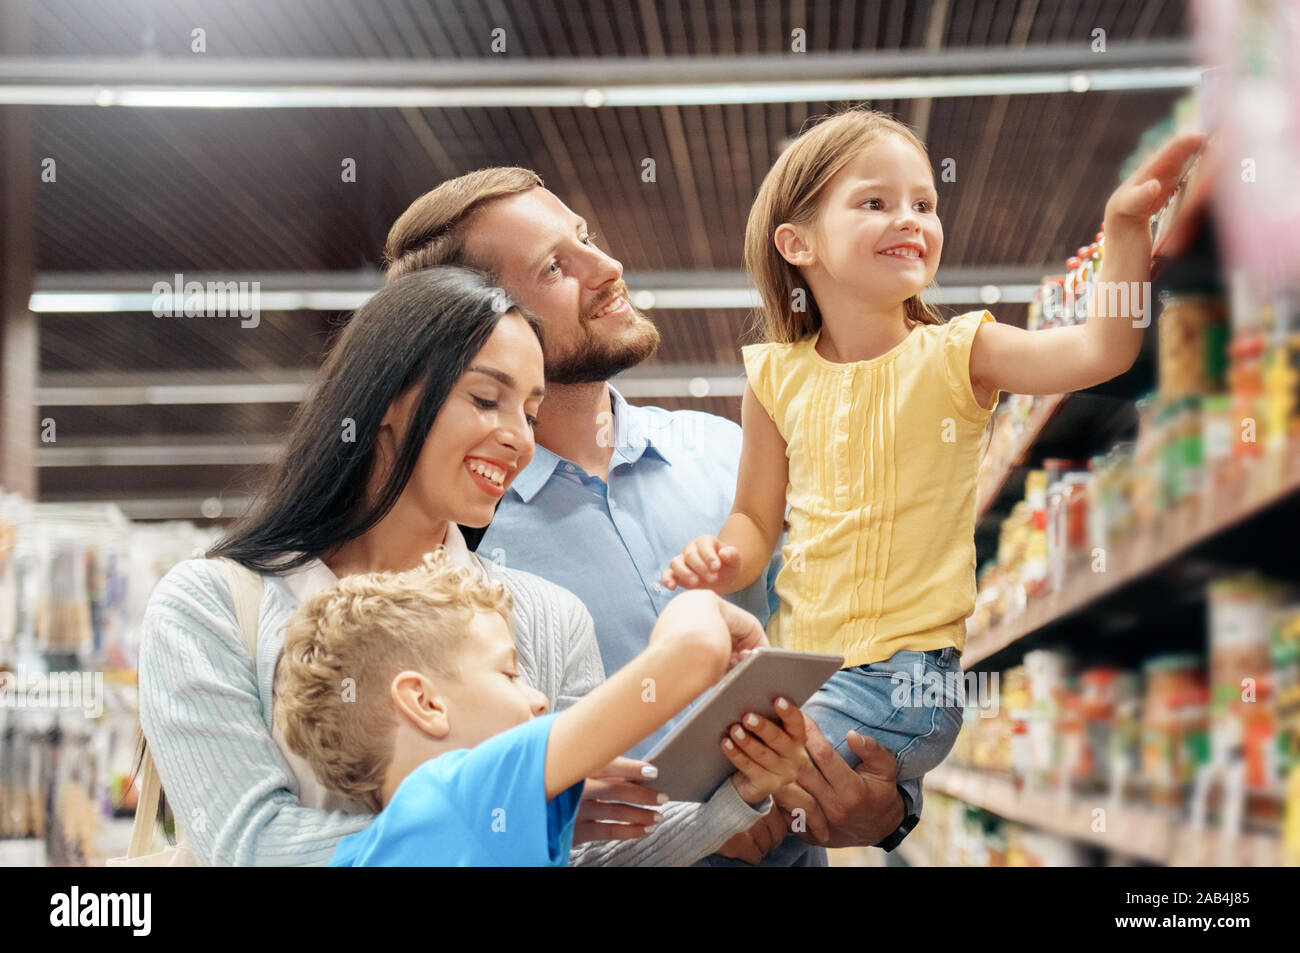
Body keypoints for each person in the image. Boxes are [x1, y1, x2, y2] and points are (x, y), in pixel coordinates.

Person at [661, 107, 1205, 854]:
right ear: (798, 243)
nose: (911, 218)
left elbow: (1101, 351)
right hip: (803, 670)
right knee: (726, 812)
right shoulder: (774, 377)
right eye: (876, 202)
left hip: (907, 682)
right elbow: (755, 521)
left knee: (725, 810)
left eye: (924, 203)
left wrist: (1126, 229)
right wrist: (723, 558)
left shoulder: (959, 353)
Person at [137, 266, 772, 866]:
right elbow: (250, 848)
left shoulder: (546, 615)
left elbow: (576, 853)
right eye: (486, 398)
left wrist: (734, 795)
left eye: (530, 412)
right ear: (385, 396)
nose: (519, 438)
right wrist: (513, 809)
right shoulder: (210, 605)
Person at [383, 168, 914, 865]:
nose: (608, 267)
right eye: (556, 266)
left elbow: (858, 628)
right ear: (477, 324)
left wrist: (893, 800)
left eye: (586, 238)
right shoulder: (455, 549)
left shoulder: (730, 458)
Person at [273, 551, 806, 866]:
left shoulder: (404, 841)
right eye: (508, 672)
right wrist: (699, 602)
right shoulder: (456, 792)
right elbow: (692, 656)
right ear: (425, 703)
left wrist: (740, 793)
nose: (539, 697)